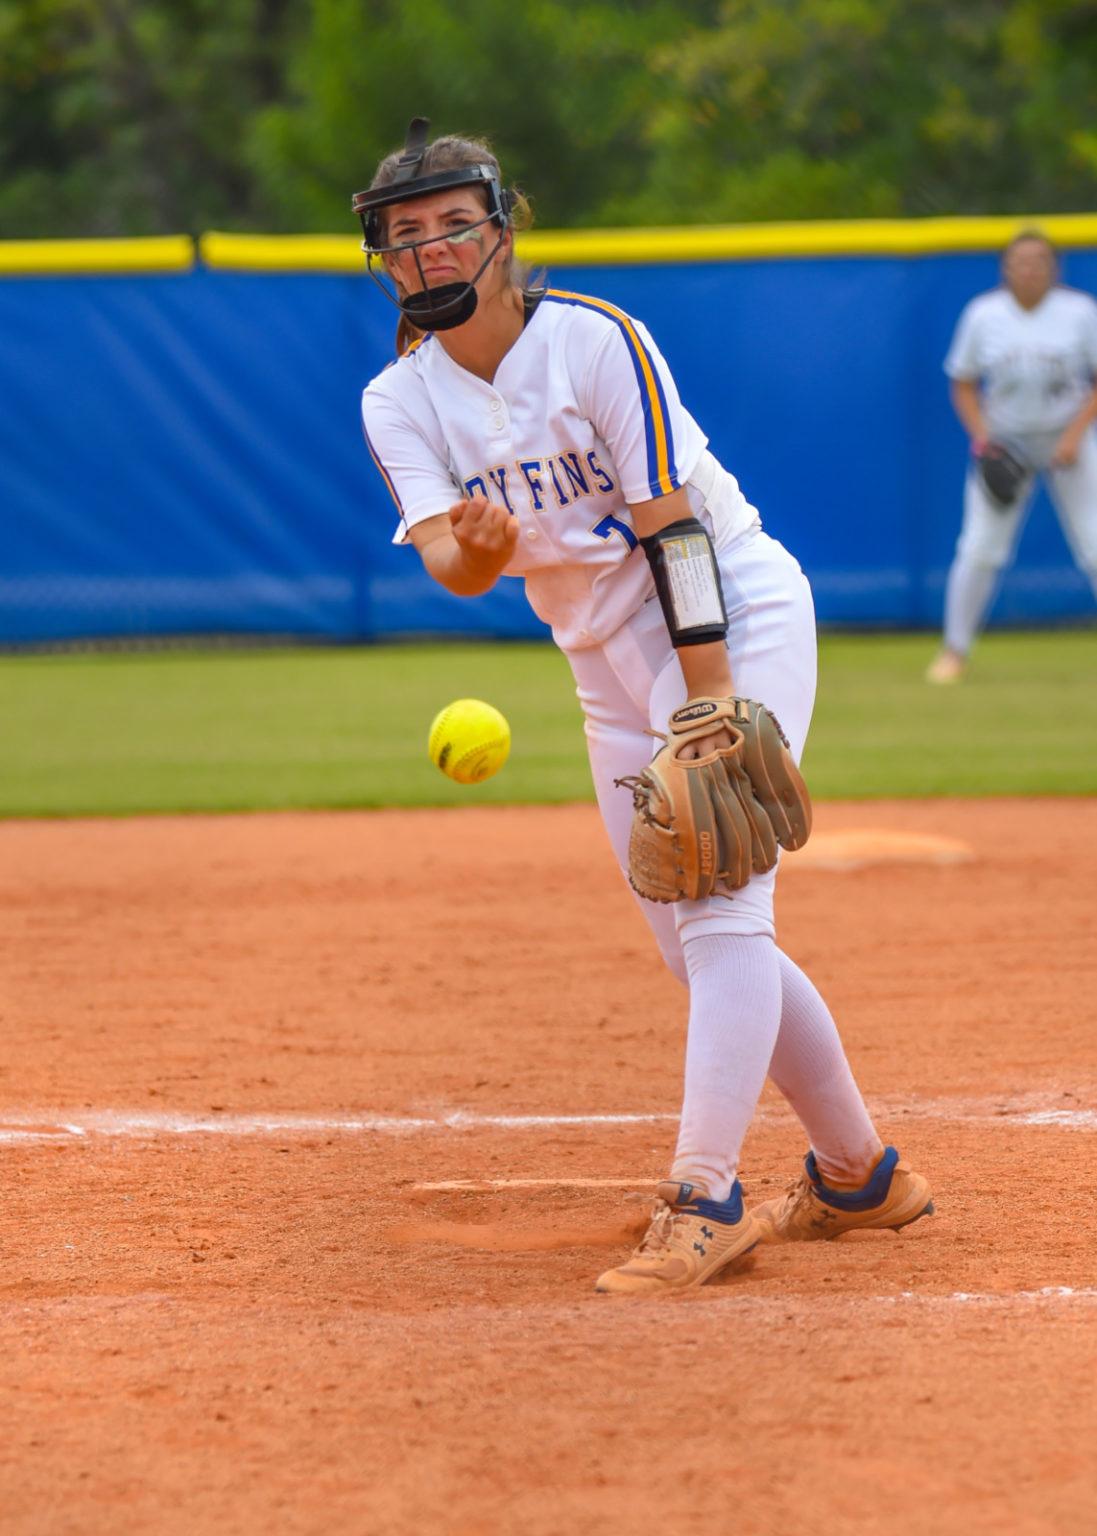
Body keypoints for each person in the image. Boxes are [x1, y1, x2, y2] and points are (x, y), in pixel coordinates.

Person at [355, 120, 933, 1295]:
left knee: (722, 910)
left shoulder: (592, 342)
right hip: (601, 667)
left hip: (728, 619)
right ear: (384, 260)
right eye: (403, 235)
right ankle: (857, 1175)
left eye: (451, 222)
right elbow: (452, 573)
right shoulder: (397, 401)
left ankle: (705, 1194)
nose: (428, 249)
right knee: (690, 942)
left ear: (500, 229)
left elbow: (672, 522)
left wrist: (711, 707)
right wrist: (479, 548)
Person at [927, 229, 1097, 684]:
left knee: (1096, 545)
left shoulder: (1079, 312)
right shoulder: (984, 314)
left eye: (1039, 260)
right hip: (1008, 441)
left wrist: (1074, 435)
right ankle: (953, 652)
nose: (1029, 268)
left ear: (1054, 267)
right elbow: (963, 381)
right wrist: (985, 439)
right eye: (1020, 260)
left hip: (1071, 439)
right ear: (1006, 268)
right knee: (979, 550)